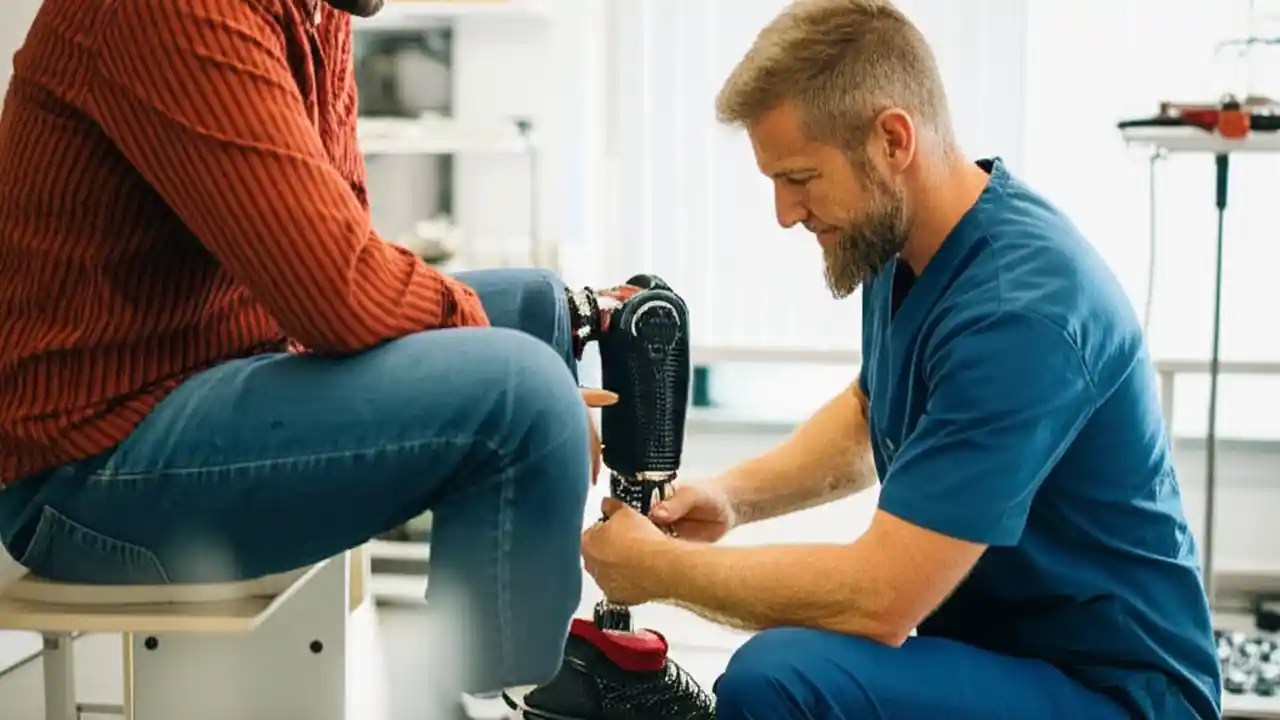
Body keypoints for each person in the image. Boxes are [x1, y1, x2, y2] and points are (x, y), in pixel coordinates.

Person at [580, 1, 1223, 719]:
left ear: (892, 140)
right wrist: (733, 498)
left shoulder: (1021, 314)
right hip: (1002, 657)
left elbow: (880, 598)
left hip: (1118, 693)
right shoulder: (901, 243)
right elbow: (871, 411)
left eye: (799, 177)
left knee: (780, 678)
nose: (785, 213)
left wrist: (663, 571)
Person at [0, 0, 617, 716]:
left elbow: (337, 233)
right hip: (84, 471)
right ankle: (520, 699)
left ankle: (532, 654)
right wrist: (494, 356)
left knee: (537, 307)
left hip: (210, 366)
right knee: (524, 396)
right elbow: (340, 293)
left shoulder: (316, 9)